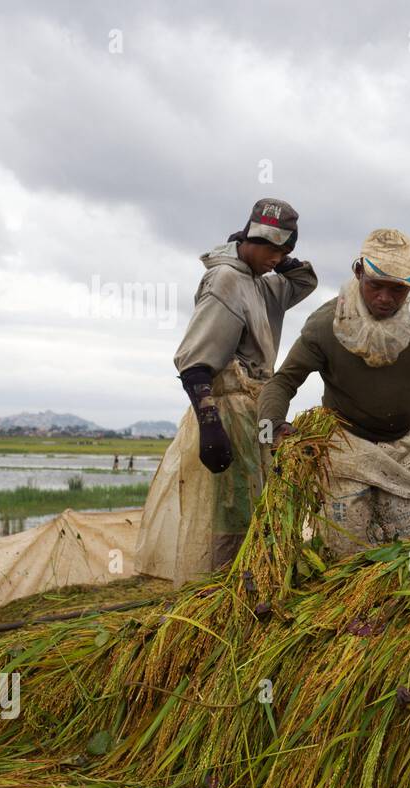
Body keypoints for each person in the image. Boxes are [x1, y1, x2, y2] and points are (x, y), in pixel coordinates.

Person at [135, 198, 318, 585]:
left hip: (255, 410)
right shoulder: (226, 281)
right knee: (232, 511)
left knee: (254, 507)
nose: (278, 257)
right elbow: (194, 362)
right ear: (249, 238)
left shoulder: (259, 283)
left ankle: (250, 582)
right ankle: (223, 589)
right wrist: (211, 426)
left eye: (285, 250)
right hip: (229, 412)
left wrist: (277, 255)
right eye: (272, 247)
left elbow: (304, 281)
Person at [258, 228, 410, 555]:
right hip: (346, 451)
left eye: (397, 289)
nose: (384, 298)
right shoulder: (328, 324)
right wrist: (273, 426)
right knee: (350, 553)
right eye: (375, 286)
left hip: (406, 451)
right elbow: (284, 380)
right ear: (358, 273)